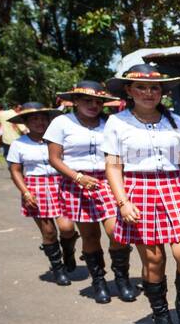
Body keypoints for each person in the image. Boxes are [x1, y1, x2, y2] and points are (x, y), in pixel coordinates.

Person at [104, 63, 180, 324]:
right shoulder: (118, 122)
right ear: (129, 90)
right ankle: (161, 314)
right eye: (141, 87)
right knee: (153, 259)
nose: (149, 92)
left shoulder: (175, 120)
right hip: (137, 189)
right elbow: (113, 167)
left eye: (155, 87)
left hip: (174, 188)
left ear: (162, 91)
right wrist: (123, 202)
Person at [46, 81, 132, 304]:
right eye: (87, 101)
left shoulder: (111, 122)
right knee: (90, 235)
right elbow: (54, 158)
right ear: (75, 101)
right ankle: (99, 281)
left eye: (98, 101)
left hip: (108, 181)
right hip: (76, 183)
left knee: (118, 233)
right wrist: (78, 177)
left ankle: (122, 278)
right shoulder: (61, 122)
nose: (94, 105)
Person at [6, 102, 77, 286]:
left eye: (43, 118)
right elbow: (15, 170)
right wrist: (25, 192)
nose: (39, 122)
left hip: (61, 184)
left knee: (67, 228)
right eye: (34, 119)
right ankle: (57, 268)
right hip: (35, 188)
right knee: (49, 231)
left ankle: (68, 251)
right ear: (26, 122)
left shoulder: (59, 140)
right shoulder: (19, 144)